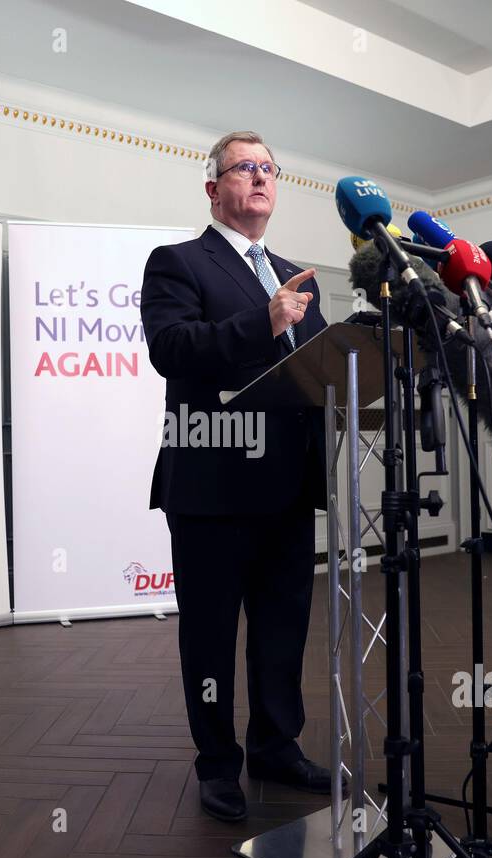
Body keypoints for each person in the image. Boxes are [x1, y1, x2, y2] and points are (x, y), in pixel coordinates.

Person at [140, 131, 333, 822]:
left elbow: (316, 372)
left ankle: (277, 745)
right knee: (212, 635)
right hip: (212, 487)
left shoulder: (295, 273)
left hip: (286, 487)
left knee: (283, 629)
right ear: (213, 188)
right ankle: (218, 763)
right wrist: (265, 317)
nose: (258, 177)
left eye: (268, 168)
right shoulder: (178, 263)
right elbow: (172, 349)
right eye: (243, 168)